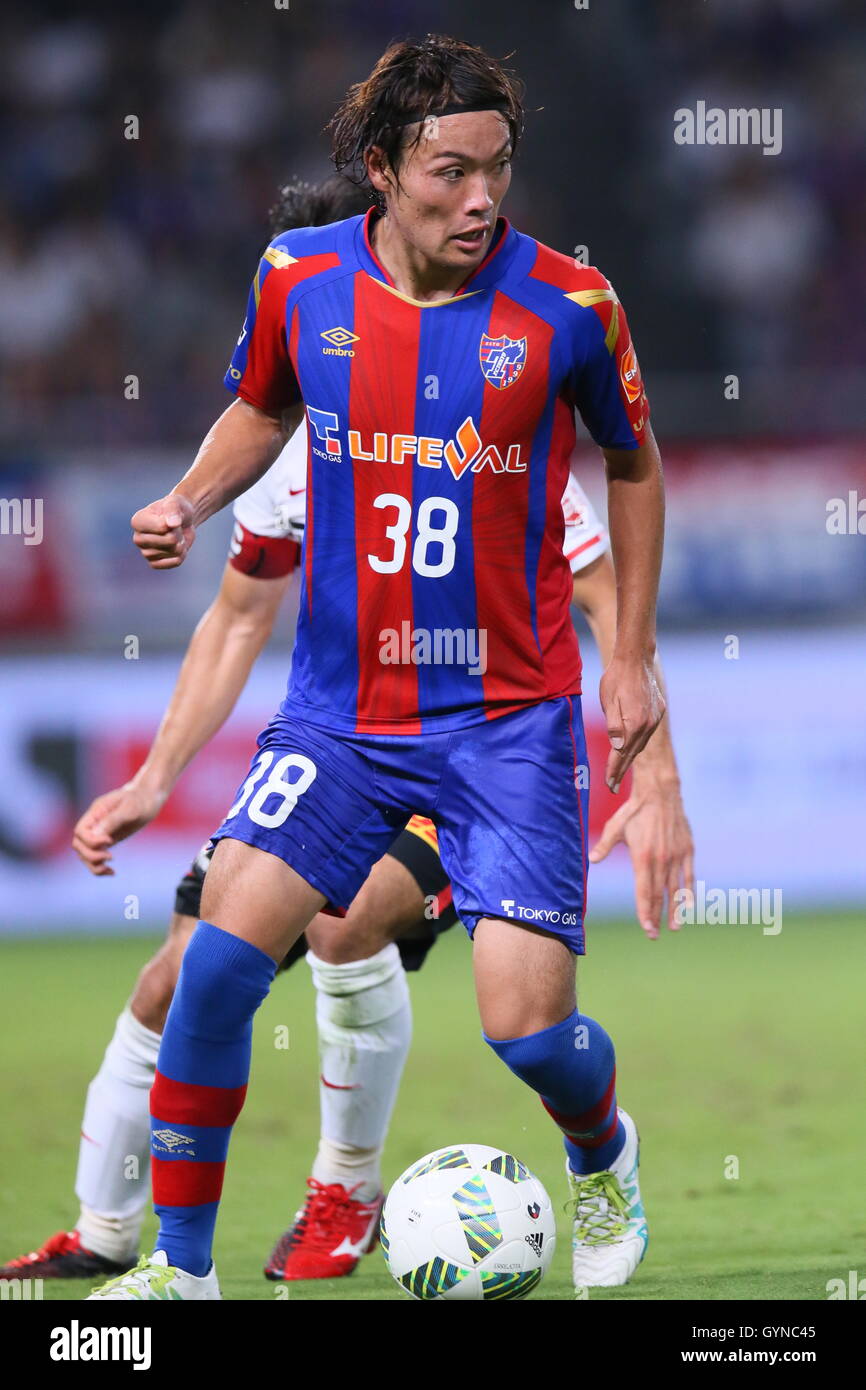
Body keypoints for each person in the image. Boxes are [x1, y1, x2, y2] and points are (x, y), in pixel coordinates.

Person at [90, 34, 670, 1301]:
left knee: (526, 1031)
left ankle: (602, 1150)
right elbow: (259, 405)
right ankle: (176, 1278)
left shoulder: (569, 304)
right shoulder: (298, 277)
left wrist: (627, 664)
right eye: (450, 173)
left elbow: (632, 463)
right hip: (341, 718)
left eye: (497, 171)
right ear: (378, 169)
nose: (480, 200)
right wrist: (190, 501)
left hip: (509, 723)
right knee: (215, 968)